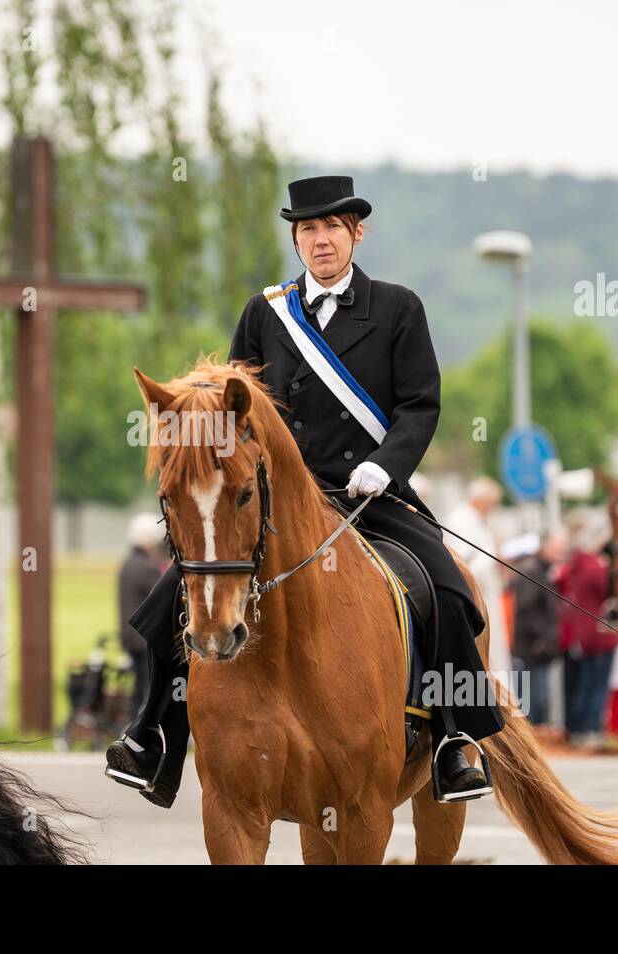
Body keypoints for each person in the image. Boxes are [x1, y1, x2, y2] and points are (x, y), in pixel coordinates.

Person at [105, 175, 504, 807]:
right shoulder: (265, 313)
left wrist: (385, 465)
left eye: (331, 229)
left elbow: (421, 406)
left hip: (369, 495)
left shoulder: (398, 308)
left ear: (356, 234)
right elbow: (230, 413)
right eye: (308, 230)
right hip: (277, 501)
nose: (320, 241)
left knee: (448, 590)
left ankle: (457, 738)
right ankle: (154, 733)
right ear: (296, 240)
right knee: (169, 599)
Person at [556, 522, 616, 747]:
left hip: (580, 634)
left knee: (583, 686)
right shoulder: (595, 567)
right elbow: (607, 590)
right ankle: (591, 730)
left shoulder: (574, 566)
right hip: (599, 634)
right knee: (596, 688)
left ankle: (578, 729)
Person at [444, 476, 511, 675]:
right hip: (475, 596)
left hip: (489, 594)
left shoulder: (478, 519)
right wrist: (492, 555)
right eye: (491, 504)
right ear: (480, 500)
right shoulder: (461, 520)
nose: (492, 509)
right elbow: (462, 562)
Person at [512, 531, 566, 728]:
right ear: (544, 548)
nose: (561, 552)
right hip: (531, 648)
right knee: (531, 702)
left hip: (540, 649)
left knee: (539, 700)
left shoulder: (543, 570)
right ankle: (530, 743)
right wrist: (540, 637)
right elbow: (526, 608)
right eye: (557, 548)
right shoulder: (531, 570)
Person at [118, 513, 169, 719]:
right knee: (149, 690)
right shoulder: (148, 568)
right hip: (145, 639)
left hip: (132, 637)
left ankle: (134, 728)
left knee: (140, 689)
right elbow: (165, 597)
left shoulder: (129, 563)